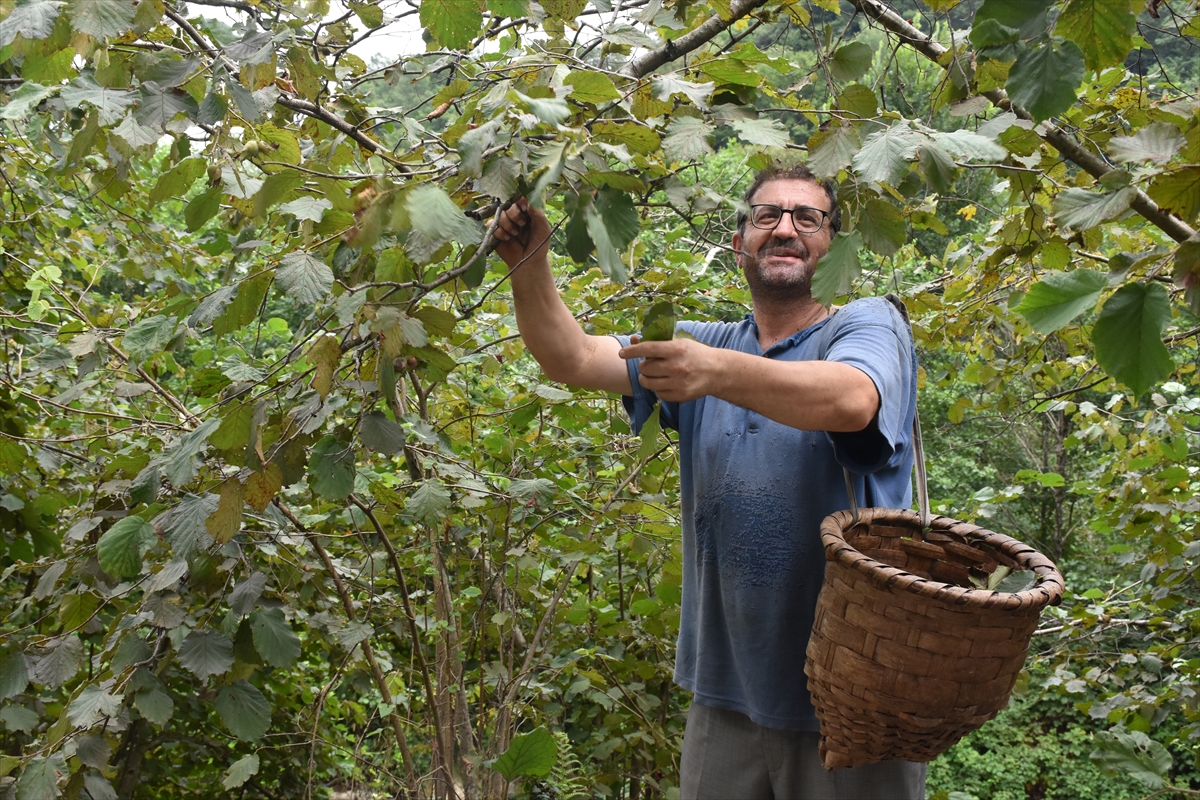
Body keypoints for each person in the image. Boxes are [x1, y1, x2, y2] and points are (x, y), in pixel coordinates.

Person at [493, 165, 924, 800]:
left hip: (854, 695)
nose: (785, 229)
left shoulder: (863, 326)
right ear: (739, 243)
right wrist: (528, 262)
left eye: (808, 218)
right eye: (766, 216)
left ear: (834, 243)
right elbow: (575, 357)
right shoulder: (703, 345)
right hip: (726, 693)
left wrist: (714, 372)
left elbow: (853, 399)